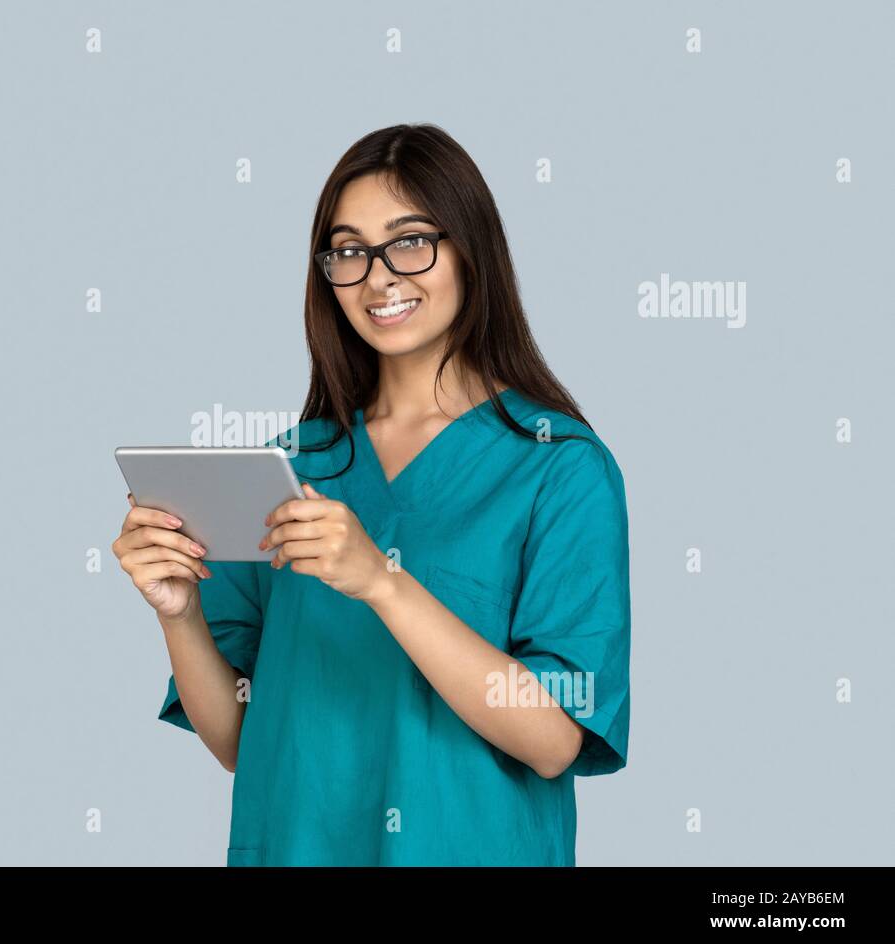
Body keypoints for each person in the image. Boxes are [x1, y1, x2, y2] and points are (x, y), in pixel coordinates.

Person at [112, 123, 630, 866]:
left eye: (410, 240)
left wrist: (382, 583)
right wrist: (180, 612)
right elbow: (239, 740)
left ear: (471, 250)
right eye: (349, 252)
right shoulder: (290, 469)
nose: (379, 277)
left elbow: (555, 741)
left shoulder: (559, 468)